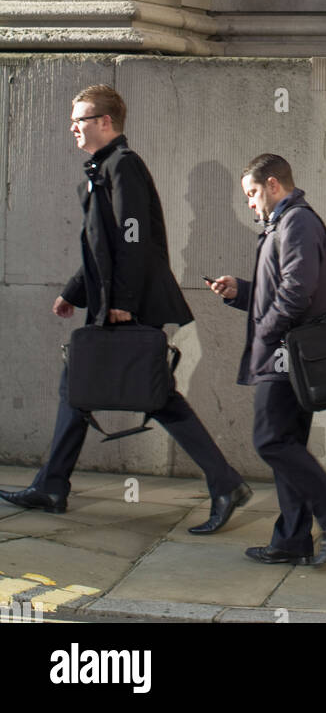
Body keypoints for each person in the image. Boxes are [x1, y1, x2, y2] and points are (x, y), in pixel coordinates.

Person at [0, 85, 250, 535]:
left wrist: (122, 303)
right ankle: (51, 486)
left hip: (129, 306)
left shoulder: (124, 167)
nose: (73, 126)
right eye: (73, 118)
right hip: (113, 303)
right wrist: (74, 292)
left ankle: (226, 483)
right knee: (80, 388)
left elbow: (133, 239)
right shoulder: (103, 168)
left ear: (106, 122)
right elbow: (103, 244)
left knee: (155, 396)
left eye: (81, 118)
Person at [209, 153, 326, 566]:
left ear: (274, 184)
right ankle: (291, 541)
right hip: (288, 351)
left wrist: (265, 330)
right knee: (286, 443)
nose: (252, 204)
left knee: (270, 440)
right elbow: (280, 287)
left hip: (285, 354)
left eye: (253, 193)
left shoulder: (296, 221)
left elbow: (297, 291)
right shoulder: (285, 223)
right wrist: (240, 291)